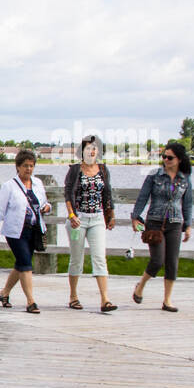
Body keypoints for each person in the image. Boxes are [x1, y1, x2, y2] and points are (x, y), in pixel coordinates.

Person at [130, 141, 193, 311]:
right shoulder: (154, 175)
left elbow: (187, 203)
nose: (166, 159)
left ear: (179, 159)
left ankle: (167, 300)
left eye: (170, 157)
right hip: (155, 221)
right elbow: (143, 197)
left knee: (172, 262)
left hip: (175, 222)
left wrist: (188, 225)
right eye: (164, 156)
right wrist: (135, 217)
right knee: (157, 260)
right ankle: (140, 286)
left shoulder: (185, 178)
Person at [64, 134, 118, 312]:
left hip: (97, 218)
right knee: (76, 259)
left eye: (95, 148)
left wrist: (111, 214)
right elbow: (68, 195)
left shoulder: (103, 169)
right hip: (78, 219)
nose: (92, 150)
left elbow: (107, 193)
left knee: (99, 257)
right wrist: (72, 215)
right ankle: (73, 296)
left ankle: (105, 299)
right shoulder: (75, 170)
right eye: (88, 147)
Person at [0, 149, 51, 313]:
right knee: (26, 265)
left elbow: (45, 202)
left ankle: (4, 293)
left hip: (34, 229)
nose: (29, 169)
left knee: (21, 264)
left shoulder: (37, 183)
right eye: (25, 166)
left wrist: (47, 207)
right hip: (15, 232)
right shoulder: (9, 186)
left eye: (31, 166)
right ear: (18, 167)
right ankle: (31, 301)